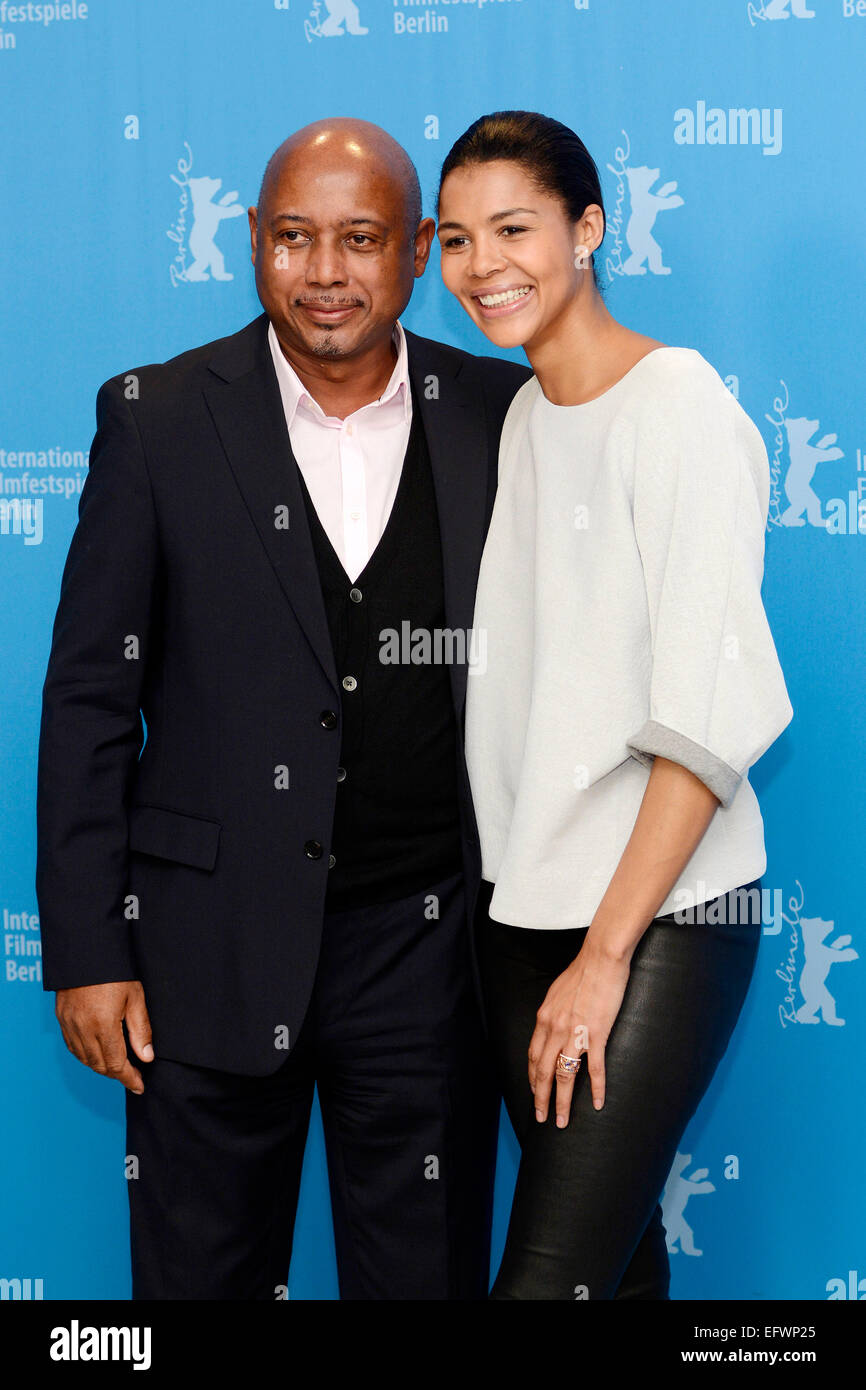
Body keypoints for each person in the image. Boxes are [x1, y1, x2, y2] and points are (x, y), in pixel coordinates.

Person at [35, 117, 530, 1300]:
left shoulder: (503, 416)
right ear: (249, 241)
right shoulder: (155, 417)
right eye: (294, 238)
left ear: (416, 252)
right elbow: (90, 700)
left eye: (359, 240)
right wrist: (89, 950)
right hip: (204, 948)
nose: (324, 274)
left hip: (427, 955)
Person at [435, 110, 793, 1300]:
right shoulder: (525, 419)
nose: (482, 265)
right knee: (612, 1273)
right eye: (454, 238)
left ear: (588, 230)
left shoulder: (677, 406)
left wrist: (601, 956)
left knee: (543, 1285)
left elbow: (702, 717)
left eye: (514, 228)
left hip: (657, 926)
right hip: (523, 914)